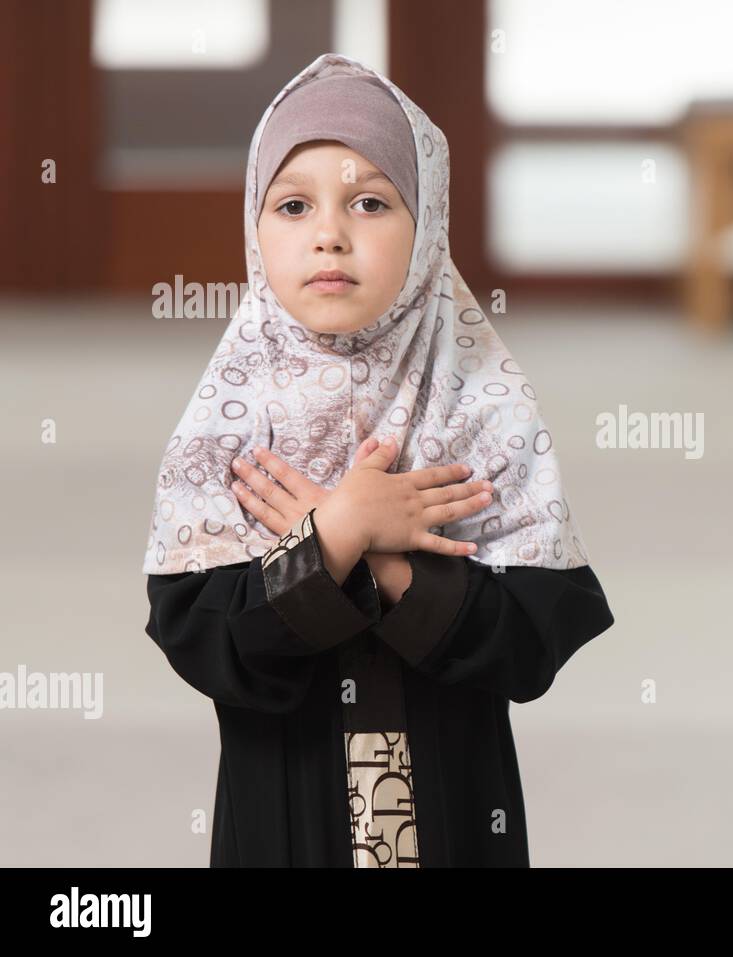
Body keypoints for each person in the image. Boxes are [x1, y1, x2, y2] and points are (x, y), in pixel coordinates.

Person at [142, 53, 615, 868]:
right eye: (292, 205)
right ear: (254, 233)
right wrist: (334, 534)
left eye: (369, 201)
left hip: (455, 814)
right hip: (285, 825)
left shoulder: (483, 410)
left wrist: (390, 567)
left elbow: (533, 641)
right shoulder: (228, 430)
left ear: (428, 223)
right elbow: (203, 637)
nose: (329, 231)